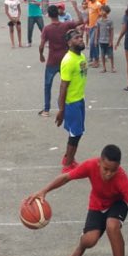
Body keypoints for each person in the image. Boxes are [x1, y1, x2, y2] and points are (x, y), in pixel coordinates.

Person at [39, 1, 84, 118]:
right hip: (65, 59)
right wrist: (75, 7)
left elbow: (42, 45)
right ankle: (64, 107)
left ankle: (46, 109)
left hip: (52, 60)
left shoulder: (47, 29)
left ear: (48, 15)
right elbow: (81, 21)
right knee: (66, 84)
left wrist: (41, 55)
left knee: (48, 85)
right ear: (58, 14)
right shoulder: (65, 25)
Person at [56, 29, 88, 173]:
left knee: (76, 132)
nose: (81, 39)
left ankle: (68, 157)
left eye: (81, 37)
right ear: (69, 43)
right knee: (76, 133)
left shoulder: (81, 56)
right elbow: (63, 86)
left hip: (79, 99)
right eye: (76, 38)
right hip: (71, 103)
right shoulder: (68, 61)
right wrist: (61, 110)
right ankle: (68, 165)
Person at [84, 0, 103, 68]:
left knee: (93, 43)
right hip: (90, 26)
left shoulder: (98, 5)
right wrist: (87, 23)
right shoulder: (89, 3)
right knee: (92, 44)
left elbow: (101, 15)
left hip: (96, 27)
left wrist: (96, 23)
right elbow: (89, 14)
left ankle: (97, 61)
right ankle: (94, 59)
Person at [98, 4, 115, 73]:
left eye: (103, 11)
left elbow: (111, 31)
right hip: (101, 41)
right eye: (101, 11)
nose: (102, 12)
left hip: (108, 41)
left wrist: (111, 41)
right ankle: (104, 68)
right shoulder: (99, 21)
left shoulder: (110, 21)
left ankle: (112, 67)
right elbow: (97, 30)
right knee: (102, 55)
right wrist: (96, 39)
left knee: (110, 55)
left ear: (107, 12)